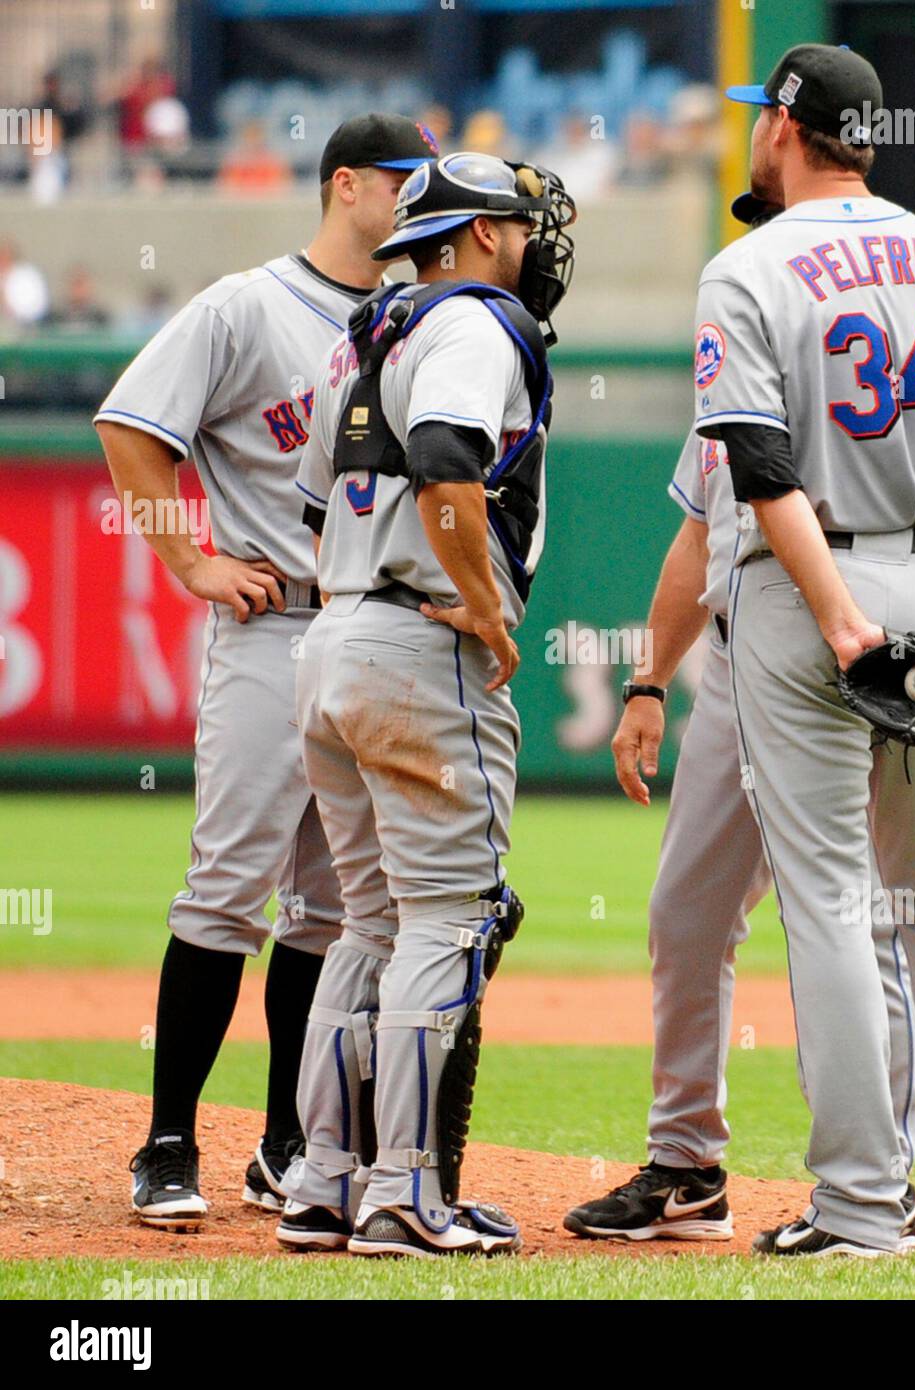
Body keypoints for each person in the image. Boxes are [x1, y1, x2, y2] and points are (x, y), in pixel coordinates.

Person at [694, 43, 915, 1257]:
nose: (753, 133)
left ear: (789, 128)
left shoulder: (747, 265)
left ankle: (859, 1210)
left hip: (812, 590)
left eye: (762, 117)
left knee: (828, 900)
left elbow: (757, 468)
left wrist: (834, 608)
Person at [94, 114, 440, 1231]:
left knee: (329, 915)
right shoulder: (248, 303)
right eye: (399, 180)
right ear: (345, 185)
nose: (413, 197)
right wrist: (188, 556)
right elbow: (130, 425)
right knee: (227, 888)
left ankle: (287, 1140)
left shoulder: (411, 317)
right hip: (269, 627)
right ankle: (166, 1141)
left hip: (365, 630)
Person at [562, 195, 915, 1250]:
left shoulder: (867, 389)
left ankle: (878, 1182)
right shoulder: (731, 383)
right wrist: (645, 684)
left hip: (828, 657)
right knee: (684, 913)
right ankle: (684, 1167)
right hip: (726, 668)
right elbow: (693, 541)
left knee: (851, 916)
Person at [274, 151, 576, 1258]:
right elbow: (450, 464)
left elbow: (314, 509)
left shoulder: (362, 329)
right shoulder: (472, 322)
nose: (533, 241)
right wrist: (483, 607)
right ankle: (404, 1191)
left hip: (334, 634)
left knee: (370, 919)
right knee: (451, 914)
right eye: (519, 221)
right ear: (480, 232)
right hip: (416, 644)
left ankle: (320, 1177)